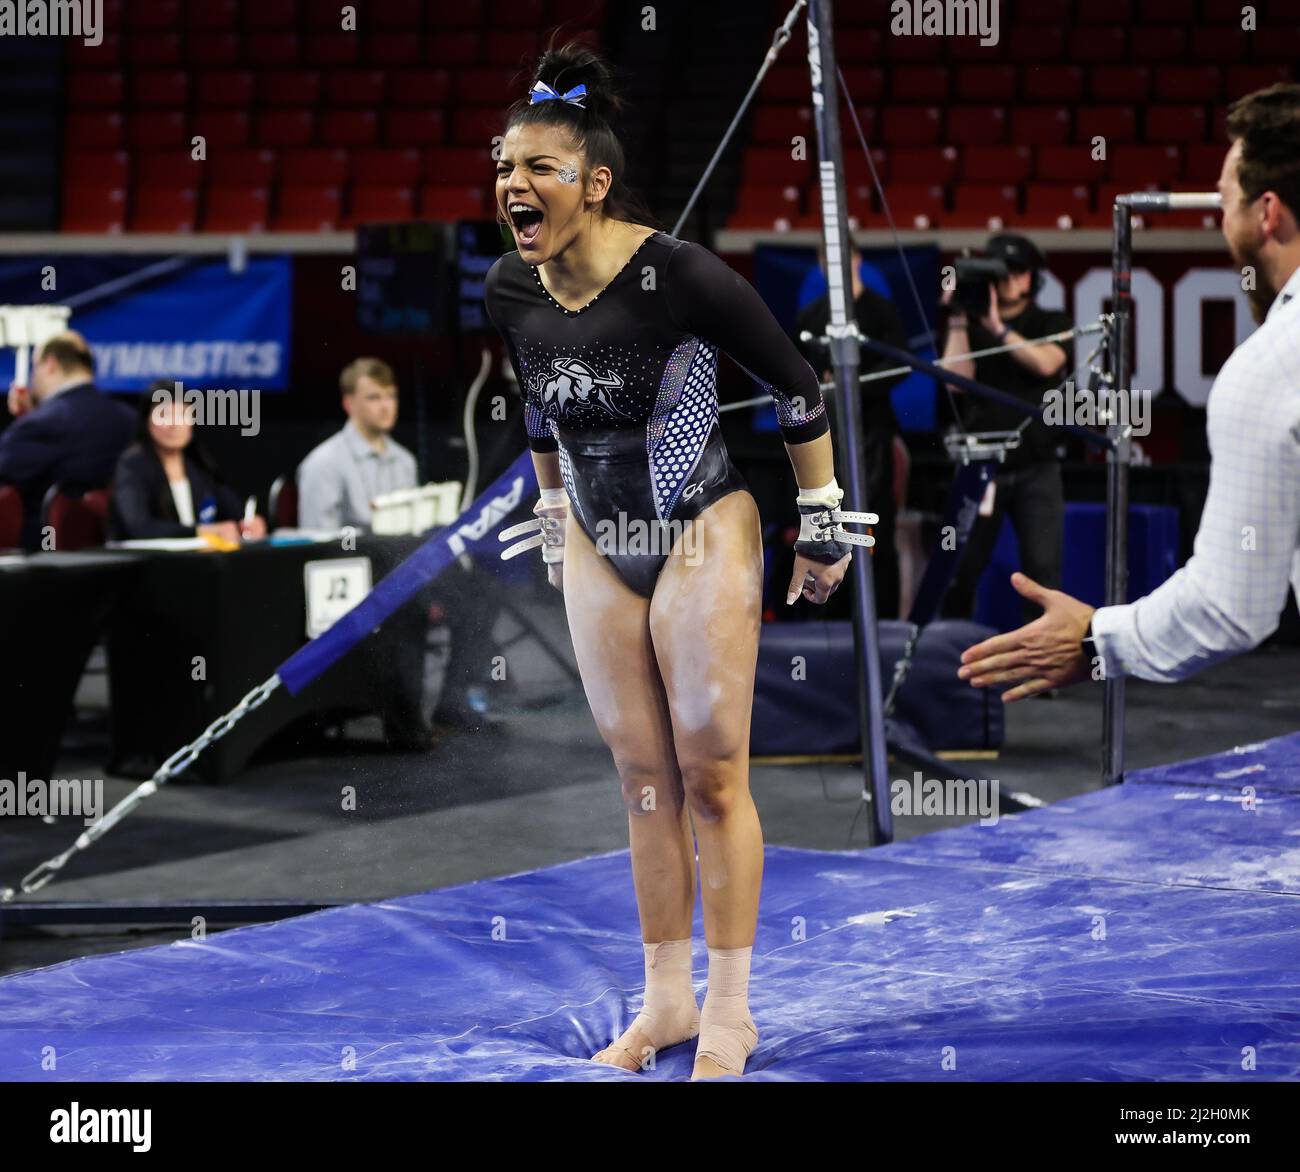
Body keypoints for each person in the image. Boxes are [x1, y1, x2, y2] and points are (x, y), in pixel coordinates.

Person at [484, 42, 870, 1080]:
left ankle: (733, 1011)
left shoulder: (678, 272)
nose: (515, 188)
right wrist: (554, 508)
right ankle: (664, 1001)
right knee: (643, 781)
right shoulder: (508, 288)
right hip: (604, 542)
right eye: (504, 170)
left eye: (539, 170)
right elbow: (534, 397)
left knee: (708, 772)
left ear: (593, 182)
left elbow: (797, 386)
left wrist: (821, 517)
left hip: (702, 521)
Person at [958, 84, 1300, 700]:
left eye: (1225, 201)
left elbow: (1231, 607)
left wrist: (1093, 636)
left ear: (1267, 213)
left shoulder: (1270, 366)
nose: (1222, 221)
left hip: (1034, 469)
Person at [939, 233, 1073, 625]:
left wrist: (999, 328)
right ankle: (949, 656)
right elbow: (954, 380)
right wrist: (961, 317)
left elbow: (1048, 362)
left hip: (1037, 465)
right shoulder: (969, 326)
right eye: (1001, 272)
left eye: (1018, 272)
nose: (1010, 281)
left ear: (1033, 278)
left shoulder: (1051, 321)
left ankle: (1041, 664)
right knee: (962, 566)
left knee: (1042, 570)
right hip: (982, 464)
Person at [794, 241, 908, 618]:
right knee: (830, 527)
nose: (836, 268)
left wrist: (850, 384)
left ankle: (884, 619)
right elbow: (798, 376)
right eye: (828, 261)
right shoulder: (812, 317)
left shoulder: (881, 311)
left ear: (857, 260)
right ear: (821, 265)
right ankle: (834, 618)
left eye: (843, 259)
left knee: (876, 532)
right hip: (829, 440)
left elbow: (900, 368)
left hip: (871, 437)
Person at [0, 332, 134, 549]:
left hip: (46, 560)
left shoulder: (41, 424)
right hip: (116, 557)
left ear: (50, 365)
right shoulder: (129, 418)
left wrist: (27, 421)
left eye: (35, 368)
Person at [109, 380, 267, 542]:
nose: (173, 425)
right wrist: (202, 531)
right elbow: (140, 526)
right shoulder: (132, 465)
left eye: (182, 415)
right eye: (164, 415)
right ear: (147, 421)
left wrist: (246, 524)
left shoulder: (198, 464)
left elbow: (232, 508)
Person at [296, 357, 418, 532]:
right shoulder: (323, 463)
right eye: (374, 398)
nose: (386, 406)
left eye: (391, 396)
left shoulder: (405, 461)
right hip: (351, 558)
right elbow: (319, 544)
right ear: (349, 403)